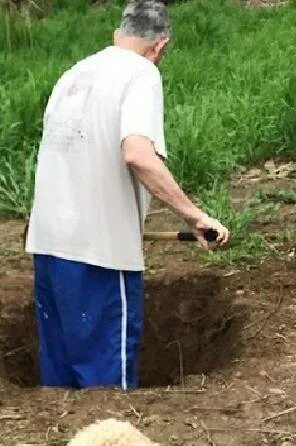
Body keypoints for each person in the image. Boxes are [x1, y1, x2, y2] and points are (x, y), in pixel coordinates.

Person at [25, 0, 230, 390]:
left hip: (49, 247)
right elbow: (137, 153)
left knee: (58, 390)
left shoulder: (75, 73)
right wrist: (195, 216)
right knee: (107, 395)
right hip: (99, 256)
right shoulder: (141, 74)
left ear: (117, 34)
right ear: (160, 46)